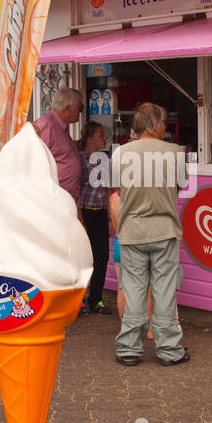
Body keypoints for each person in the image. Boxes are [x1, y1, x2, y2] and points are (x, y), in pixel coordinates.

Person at [109, 102, 188, 366]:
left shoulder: (120, 154)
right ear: (154, 125)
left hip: (132, 231)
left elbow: (119, 192)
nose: (166, 126)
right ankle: (169, 351)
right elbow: (178, 187)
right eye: (164, 121)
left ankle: (129, 349)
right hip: (164, 231)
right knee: (165, 290)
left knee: (133, 290)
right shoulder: (175, 152)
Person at [78, 122, 112, 315]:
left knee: (102, 257)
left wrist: (109, 216)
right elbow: (76, 188)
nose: (104, 139)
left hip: (99, 211)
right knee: (83, 258)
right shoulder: (80, 159)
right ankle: (79, 300)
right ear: (90, 138)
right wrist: (79, 217)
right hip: (84, 211)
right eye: (100, 135)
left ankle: (96, 299)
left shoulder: (103, 159)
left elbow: (107, 188)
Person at [34, 87, 84, 205]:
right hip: (53, 202)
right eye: (79, 108)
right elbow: (34, 163)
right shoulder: (47, 126)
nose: (80, 113)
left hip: (66, 200)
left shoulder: (60, 127)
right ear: (68, 108)